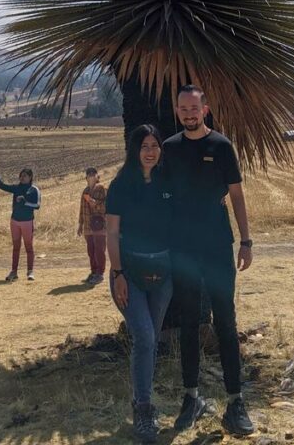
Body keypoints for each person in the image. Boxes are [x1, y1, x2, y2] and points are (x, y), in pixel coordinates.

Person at [162, 86, 255, 437]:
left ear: (206, 109)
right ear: (177, 110)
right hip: (182, 247)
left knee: (225, 322)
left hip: (217, 245)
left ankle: (236, 401)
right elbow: (162, 196)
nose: (189, 113)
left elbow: (237, 198)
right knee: (188, 322)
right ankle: (191, 397)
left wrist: (246, 241)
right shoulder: (169, 149)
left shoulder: (221, 146)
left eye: (194, 107)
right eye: (183, 108)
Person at [106, 125, 173, 444]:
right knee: (144, 336)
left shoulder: (166, 182)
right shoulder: (121, 186)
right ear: (134, 150)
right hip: (129, 274)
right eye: (144, 145)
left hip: (163, 274)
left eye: (155, 145)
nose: (150, 150)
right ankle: (143, 409)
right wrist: (117, 273)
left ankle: (141, 398)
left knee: (151, 339)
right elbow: (111, 233)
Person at [0, 168, 41, 281]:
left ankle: (30, 271)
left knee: (29, 247)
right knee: (16, 247)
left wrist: (25, 202)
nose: (22, 177)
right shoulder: (16, 188)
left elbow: (37, 205)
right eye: (21, 175)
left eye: (25, 175)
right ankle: (14, 271)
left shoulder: (34, 190)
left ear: (30, 177)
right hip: (14, 221)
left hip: (27, 222)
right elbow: (3, 186)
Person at [77, 166, 106, 285]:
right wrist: (80, 224)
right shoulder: (85, 191)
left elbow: (106, 206)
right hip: (88, 226)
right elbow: (81, 209)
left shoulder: (102, 189)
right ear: (86, 178)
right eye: (89, 174)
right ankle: (93, 272)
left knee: (99, 250)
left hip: (100, 225)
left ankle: (100, 273)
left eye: (93, 174)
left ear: (97, 176)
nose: (91, 176)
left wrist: (95, 204)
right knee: (91, 250)